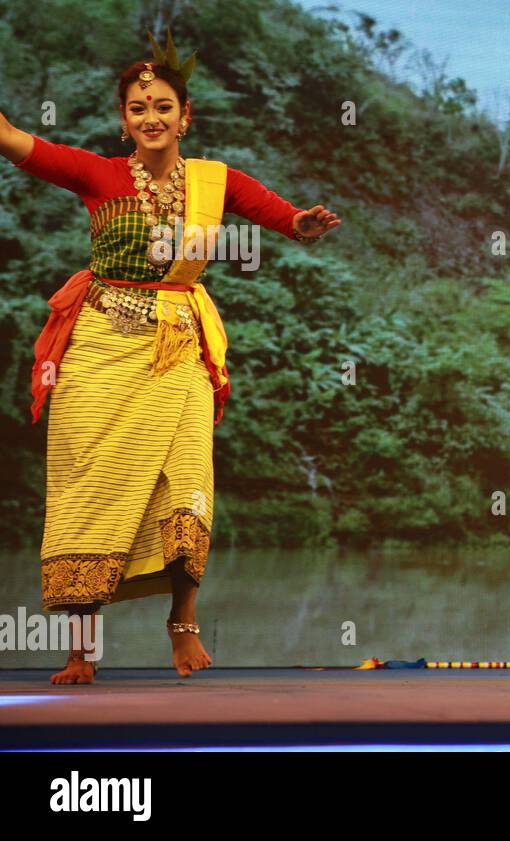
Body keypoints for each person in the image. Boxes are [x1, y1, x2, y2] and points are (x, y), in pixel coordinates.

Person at [0, 31, 341, 684]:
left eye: (162, 106)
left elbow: (282, 216)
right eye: (137, 107)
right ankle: (81, 650)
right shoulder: (94, 173)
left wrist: (301, 224)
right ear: (124, 120)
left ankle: (183, 622)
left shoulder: (217, 181)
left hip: (177, 348)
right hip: (101, 349)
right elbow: (14, 138)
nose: (150, 117)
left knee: (185, 479)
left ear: (186, 117)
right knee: (90, 489)